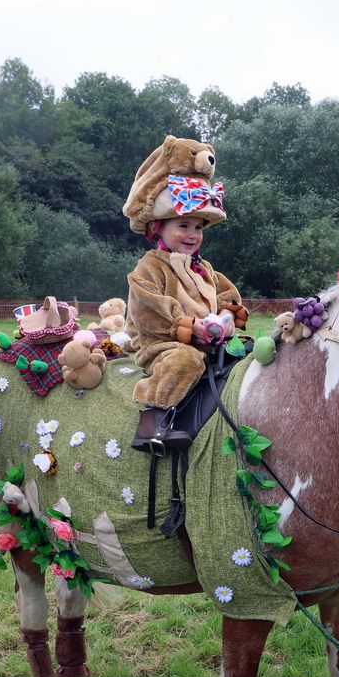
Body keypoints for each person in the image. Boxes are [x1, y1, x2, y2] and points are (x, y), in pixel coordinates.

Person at [120, 138, 248, 451]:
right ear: (158, 229)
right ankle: (153, 421)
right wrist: (190, 326)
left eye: (198, 227)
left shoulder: (203, 267)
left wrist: (230, 316)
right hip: (160, 343)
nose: (192, 235)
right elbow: (150, 310)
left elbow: (229, 294)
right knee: (184, 359)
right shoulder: (150, 266)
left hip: (210, 341)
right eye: (183, 225)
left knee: (246, 351)